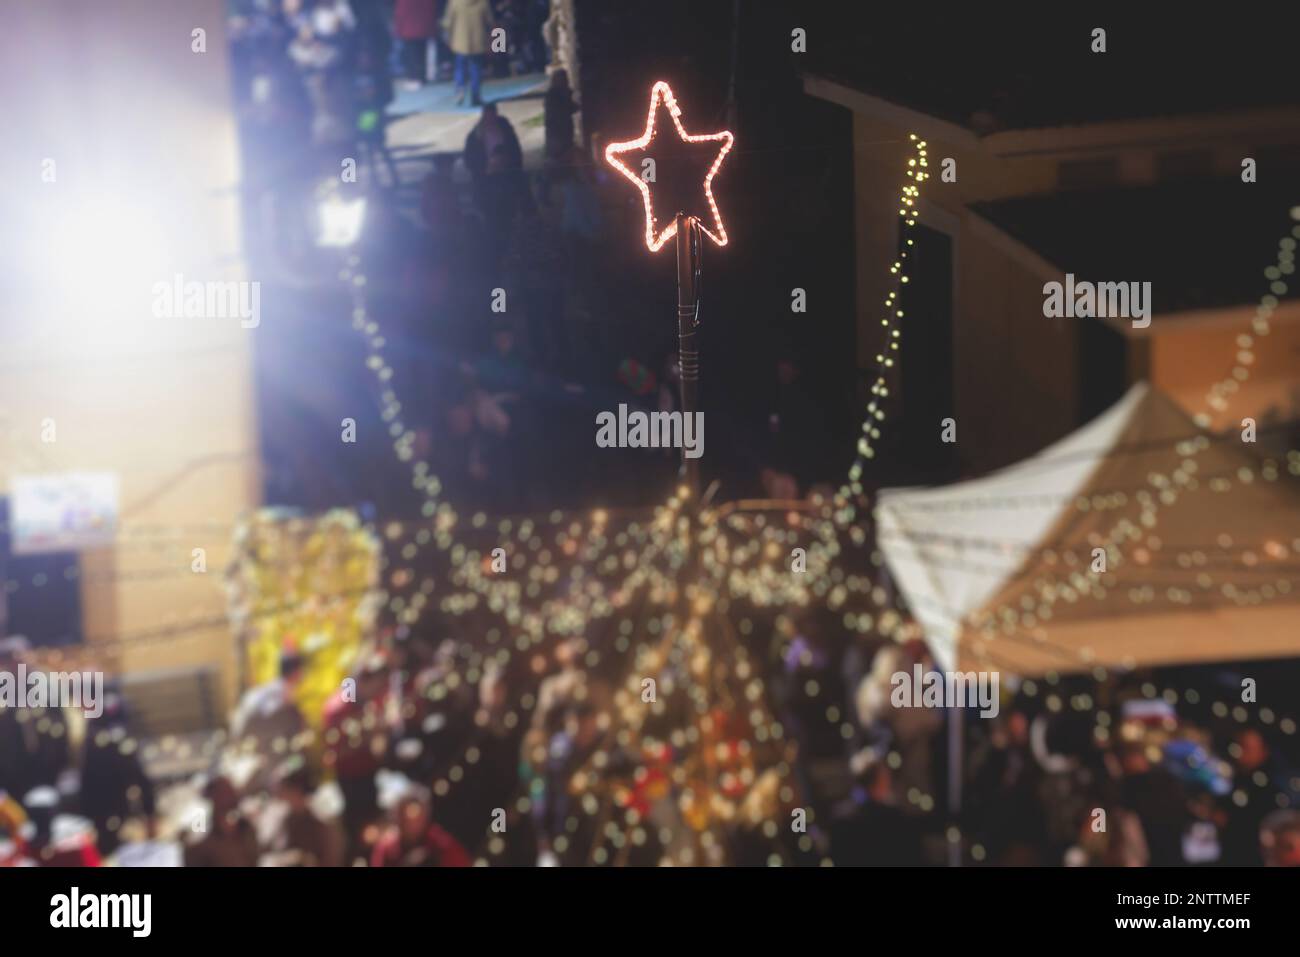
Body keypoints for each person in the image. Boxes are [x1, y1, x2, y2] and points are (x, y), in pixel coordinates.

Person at [370, 786, 470, 866]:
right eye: (405, 818)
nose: (411, 824)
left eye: (417, 818)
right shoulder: (385, 849)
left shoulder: (442, 844)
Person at [183, 776, 259, 868]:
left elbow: (253, 859)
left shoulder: (246, 829)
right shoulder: (201, 837)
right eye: (223, 794)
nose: (227, 798)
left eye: (228, 793)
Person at [442, 0, 495, 106]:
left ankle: (460, 89)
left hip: (460, 40)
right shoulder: (482, 2)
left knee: (460, 68)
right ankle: (475, 95)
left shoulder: (454, 2)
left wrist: (447, 35)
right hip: (478, 40)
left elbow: (448, 22)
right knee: (476, 69)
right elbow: (489, 20)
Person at [394, 0, 440, 88]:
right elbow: (432, 10)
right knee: (422, 53)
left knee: (411, 55)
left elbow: (400, 12)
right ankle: (422, 77)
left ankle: (414, 78)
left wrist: (398, 29)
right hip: (424, 28)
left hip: (408, 29)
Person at [543, 69, 577, 161]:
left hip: (563, 130)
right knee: (559, 156)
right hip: (557, 132)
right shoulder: (553, 95)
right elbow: (563, 109)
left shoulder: (560, 93)